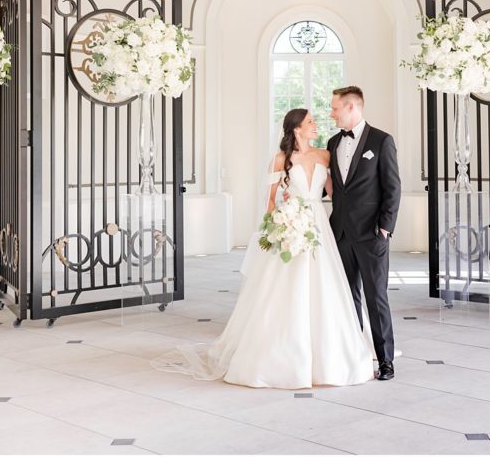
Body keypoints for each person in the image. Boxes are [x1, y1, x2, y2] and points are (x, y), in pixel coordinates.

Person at [152, 108, 374, 388]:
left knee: (325, 284)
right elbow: (270, 200)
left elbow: (335, 192)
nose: (315, 124)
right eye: (310, 122)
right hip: (291, 223)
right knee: (286, 287)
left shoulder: (324, 155)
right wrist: (277, 227)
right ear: (296, 128)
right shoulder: (281, 159)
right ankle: (280, 353)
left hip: (319, 225)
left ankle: (329, 355)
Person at [327, 86, 401, 381]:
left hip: (372, 234)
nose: (331, 113)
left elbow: (392, 188)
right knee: (348, 298)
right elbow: (333, 187)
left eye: (335, 108)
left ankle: (385, 361)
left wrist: (385, 228)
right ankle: (355, 356)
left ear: (351, 107)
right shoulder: (333, 142)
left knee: (376, 298)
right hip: (341, 233)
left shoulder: (382, 141)